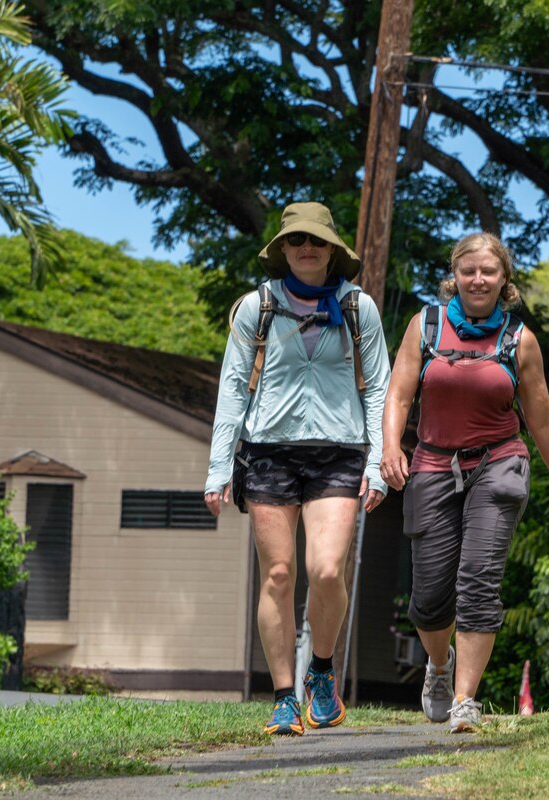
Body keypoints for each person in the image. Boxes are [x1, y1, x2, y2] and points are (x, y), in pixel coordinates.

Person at [381, 232, 549, 732]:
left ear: (504, 280)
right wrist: (390, 447)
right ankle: (439, 666)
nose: (478, 279)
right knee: (430, 597)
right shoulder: (425, 326)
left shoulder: (520, 340)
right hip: (433, 464)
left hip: (499, 463)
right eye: (469, 270)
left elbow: (543, 421)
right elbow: (398, 395)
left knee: (478, 580)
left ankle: (464, 701)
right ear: (454, 276)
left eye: (488, 271)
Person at [204, 202, 391, 734]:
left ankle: (322, 673)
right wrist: (218, 468)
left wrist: (378, 463)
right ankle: (285, 697)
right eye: (296, 240)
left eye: (316, 240)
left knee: (327, 570)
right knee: (279, 574)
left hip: (338, 450)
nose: (306, 248)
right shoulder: (256, 307)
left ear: (332, 250)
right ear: (282, 249)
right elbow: (233, 389)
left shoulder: (358, 307)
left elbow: (378, 389)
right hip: (268, 452)